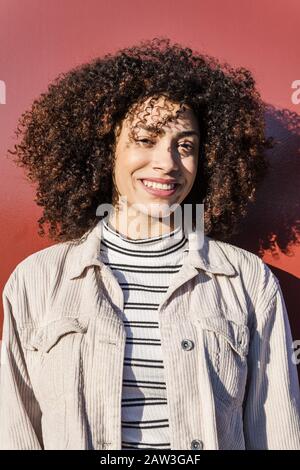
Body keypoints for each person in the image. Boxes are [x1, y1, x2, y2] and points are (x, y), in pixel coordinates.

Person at [0, 38, 299, 450]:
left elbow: (277, 428)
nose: (167, 162)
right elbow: (16, 427)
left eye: (186, 145)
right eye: (145, 139)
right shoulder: (35, 280)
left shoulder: (247, 279)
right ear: (107, 151)